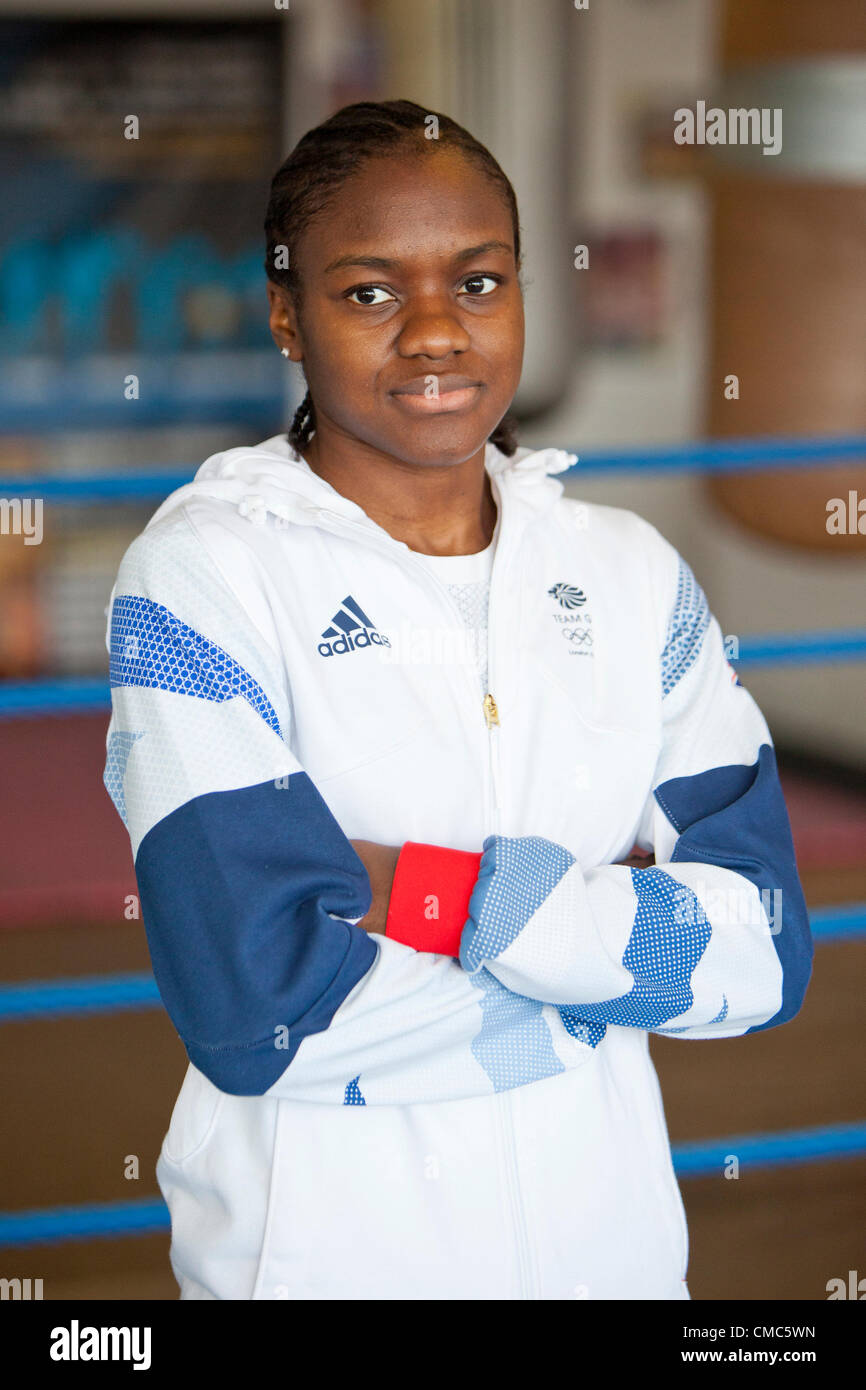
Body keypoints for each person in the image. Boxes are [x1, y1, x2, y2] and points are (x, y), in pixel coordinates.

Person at [103, 99, 812, 1300]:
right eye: (369, 292)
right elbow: (259, 1008)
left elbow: (762, 948)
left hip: (615, 1264)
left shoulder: (630, 574)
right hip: (327, 1268)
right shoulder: (204, 577)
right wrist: (605, 973)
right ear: (287, 314)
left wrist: (426, 891)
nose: (434, 332)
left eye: (478, 283)